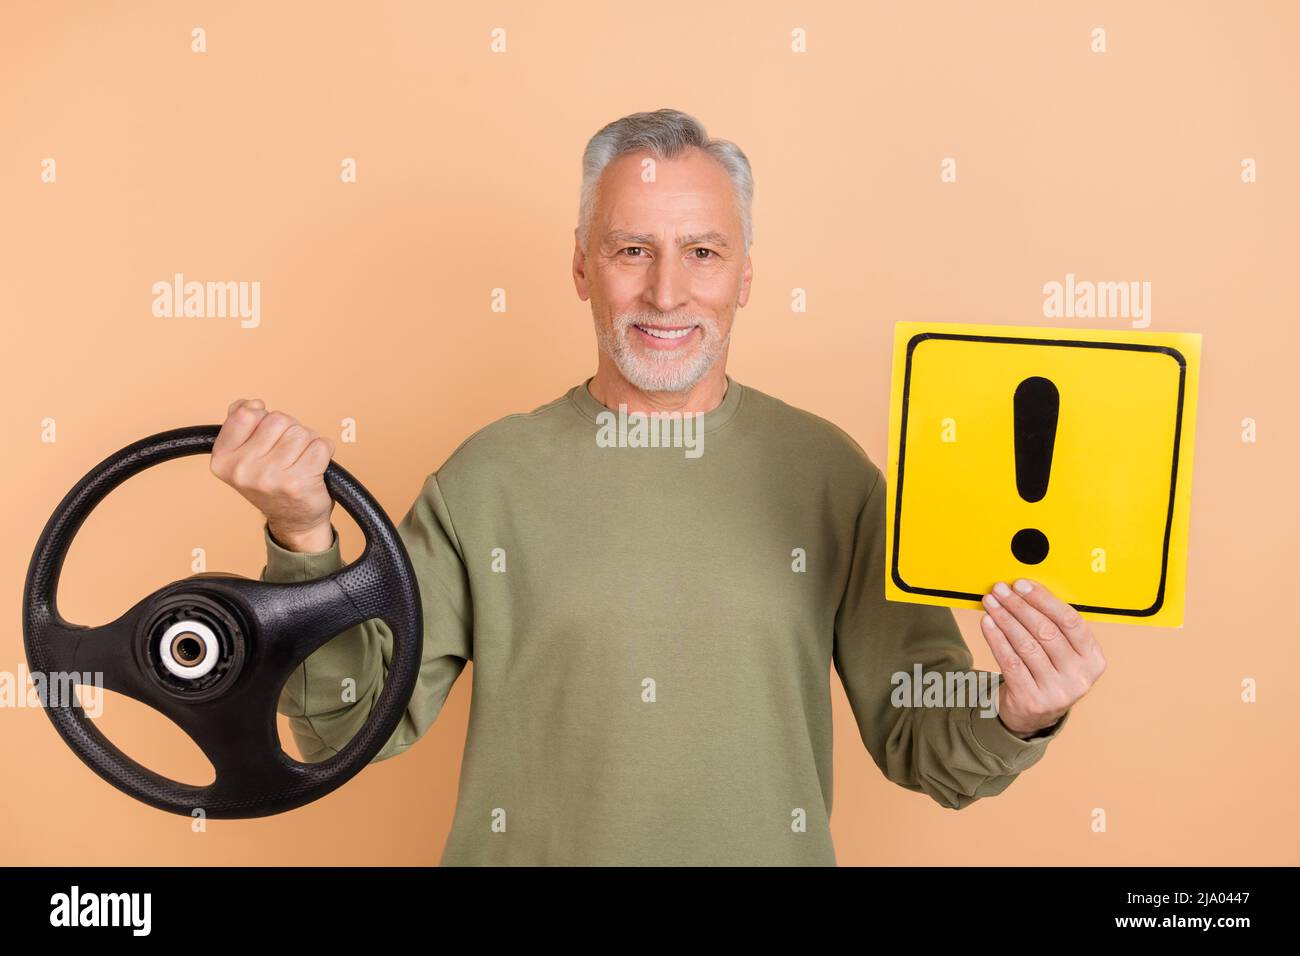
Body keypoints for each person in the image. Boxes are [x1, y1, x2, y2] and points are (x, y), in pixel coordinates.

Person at [210, 108, 1105, 866]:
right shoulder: (486, 478)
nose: (667, 291)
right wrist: (302, 540)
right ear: (580, 268)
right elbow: (351, 727)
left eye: (703, 252)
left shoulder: (833, 476)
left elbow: (925, 743)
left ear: (746, 274)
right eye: (632, 249)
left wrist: (1019, 712)